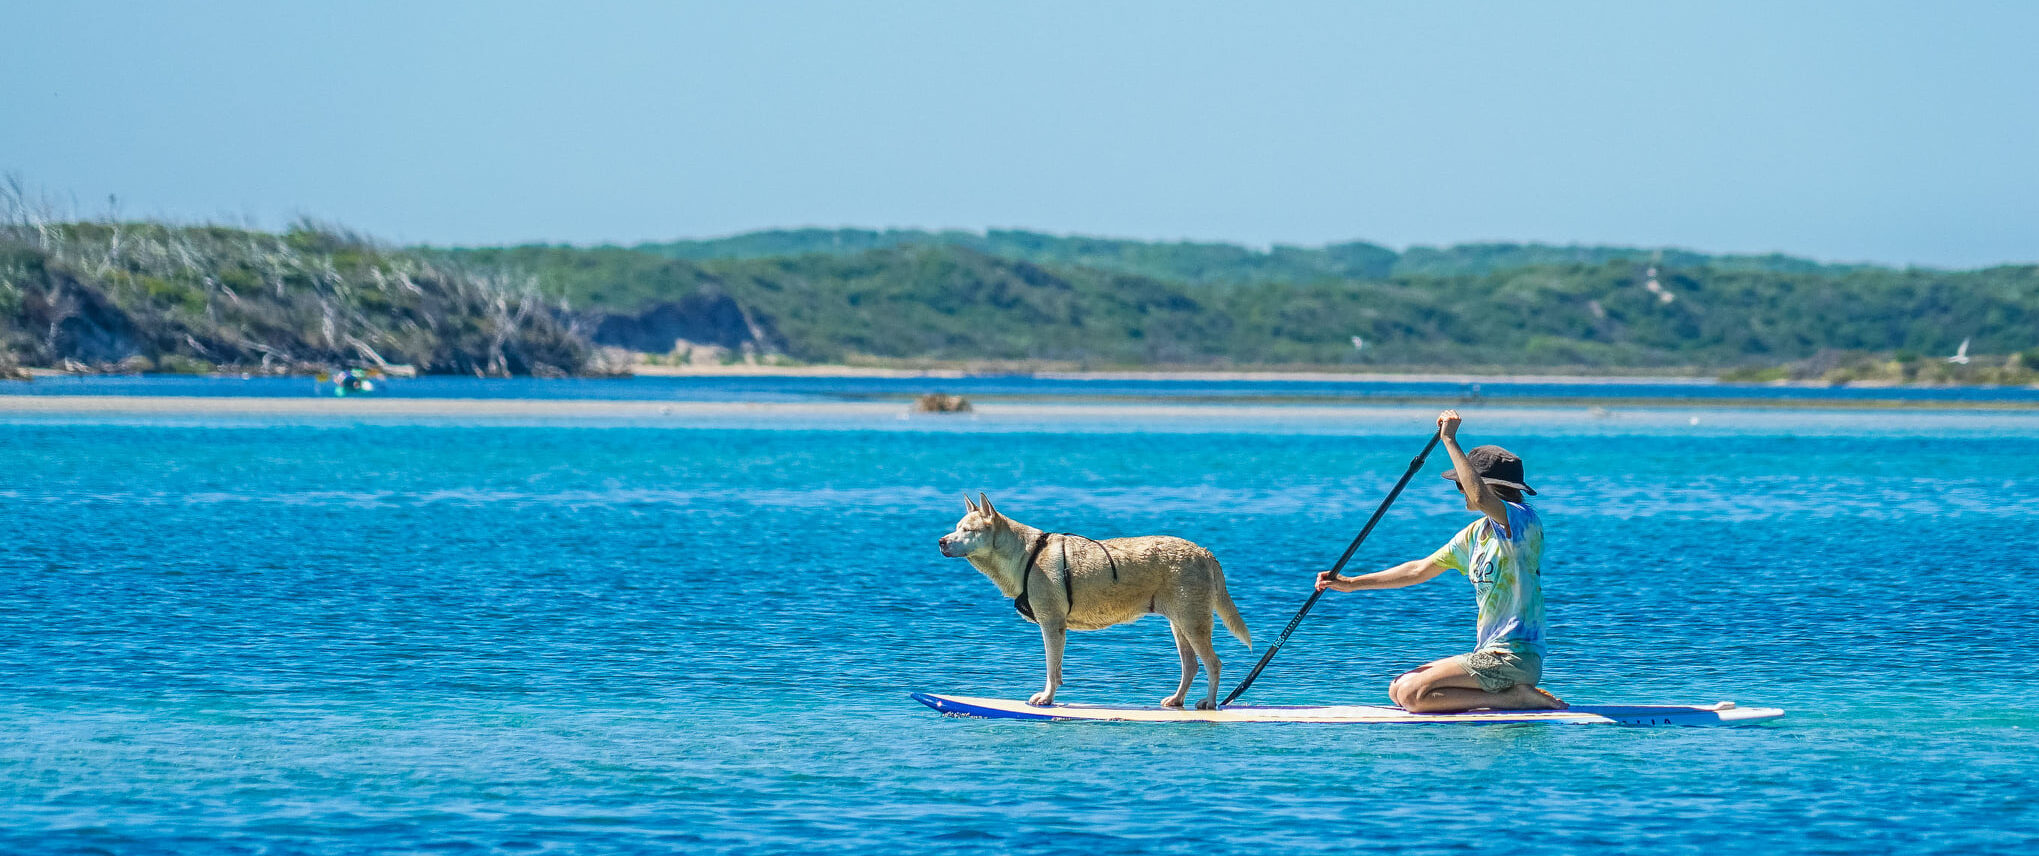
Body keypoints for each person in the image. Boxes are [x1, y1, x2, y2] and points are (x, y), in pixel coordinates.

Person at [1314, 409, 1566, 713]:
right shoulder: (1476, 534)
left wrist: (1449, 439)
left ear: (1485, 485)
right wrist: (1351, 584)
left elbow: (1483, 498)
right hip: (1489, 654)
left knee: (1411, 694)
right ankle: (1509, 695)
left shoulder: (1523, 522)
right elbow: (1419, 569)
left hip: (1515, 657)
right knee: (1400, 688)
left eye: (1462, 483)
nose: (1461, 491)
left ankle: (1514, 698)